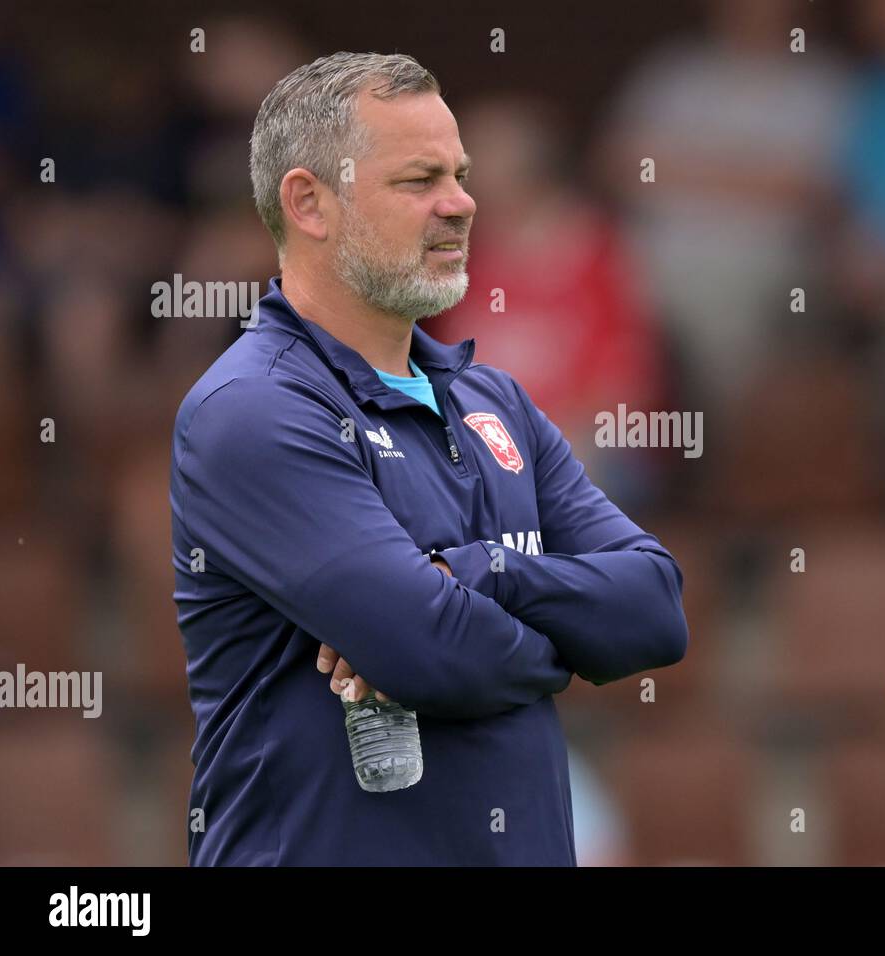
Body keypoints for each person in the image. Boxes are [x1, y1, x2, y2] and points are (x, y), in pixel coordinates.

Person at [170, 52, 688, 865]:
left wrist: (480, 575)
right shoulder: (251, 411)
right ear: (309, 202)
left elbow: (654, 608)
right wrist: (565, 635)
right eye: (419, 182)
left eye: (461, 174)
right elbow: (435, 655)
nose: (462, 204)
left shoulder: (495, 401)